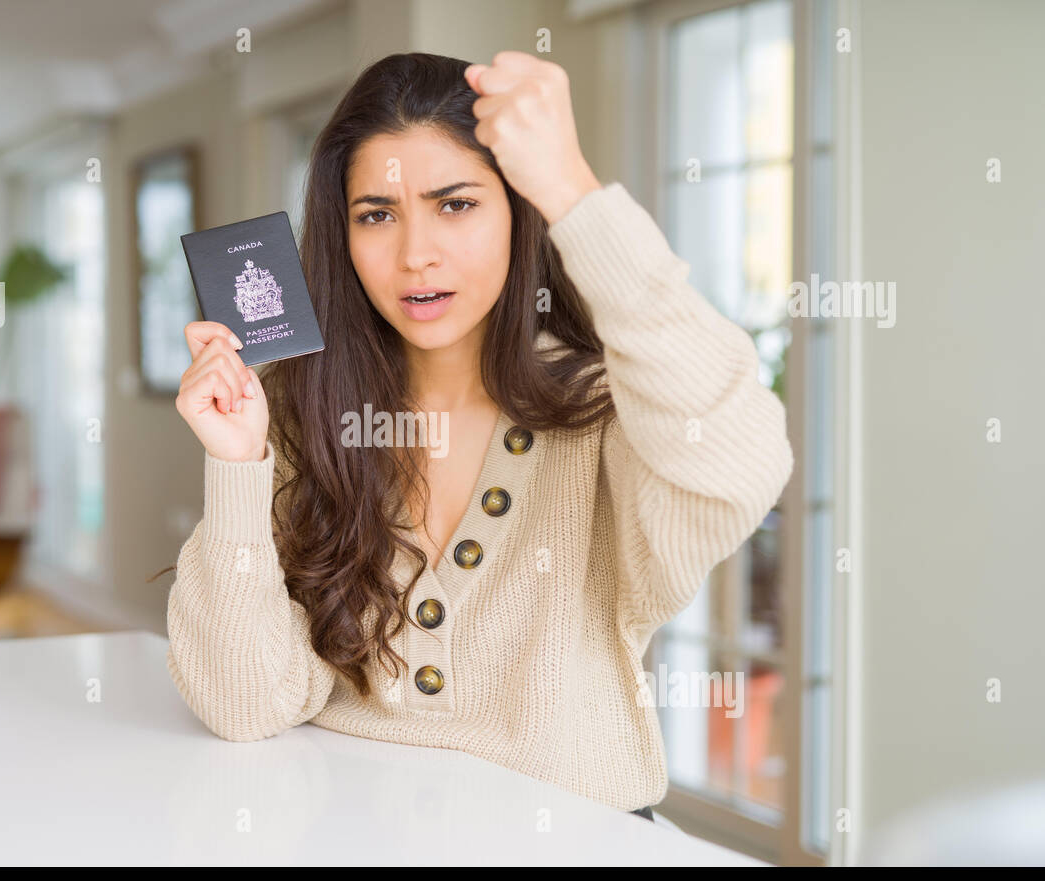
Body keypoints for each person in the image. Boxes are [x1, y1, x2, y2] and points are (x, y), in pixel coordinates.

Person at [161, 50, 793, 819]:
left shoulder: (608, 412)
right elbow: (245, 703)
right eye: (377, 214)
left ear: (518, 211)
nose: (414, 253)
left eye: (455, 204)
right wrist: (238, 466)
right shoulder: (305, 414)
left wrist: (573, 192)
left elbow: (742, 456)